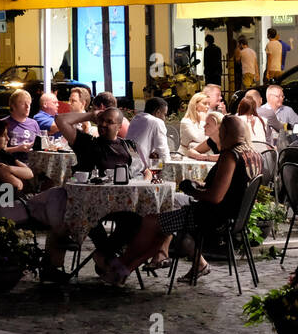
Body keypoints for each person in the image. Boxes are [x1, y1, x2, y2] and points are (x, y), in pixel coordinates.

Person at [104, 114, 263, 286]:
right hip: (235, 218)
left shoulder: (230, 156)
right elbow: (232, 187)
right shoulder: (253, 154)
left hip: (211, 217)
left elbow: (215, 197)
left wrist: (193, 191)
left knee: (151, 222)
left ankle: (121, 265)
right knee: (163, 224)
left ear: (224, 133)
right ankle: (125, 269)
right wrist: (201, 186)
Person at [0, 116, 72, 282]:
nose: (7, 138)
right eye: (4, 135)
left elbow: (29, 173)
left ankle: (55, 252)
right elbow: (18, 184)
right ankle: (54, 257)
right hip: (7, 208)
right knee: (56, 206)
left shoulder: (3, 156)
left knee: (58, 193)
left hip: (20, 203)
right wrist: (14, 174)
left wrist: (9, 169)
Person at [125, 96, 171, 167]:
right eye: (164, 114)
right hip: (143, 169)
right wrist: (169, 168)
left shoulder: (135, 118)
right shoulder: (157, 122)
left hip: (129, 164)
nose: (164, 118)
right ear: (158, 112)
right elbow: (162, 150)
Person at [177, 92, 216, 160]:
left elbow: (210, 140)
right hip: (186, 157)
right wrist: (202, 121)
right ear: (195, 105)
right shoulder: (186, 122)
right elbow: (201, 139)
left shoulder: (207, 121)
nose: (207, 106)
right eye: (204, 103)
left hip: (201, 156)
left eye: (208, 104)